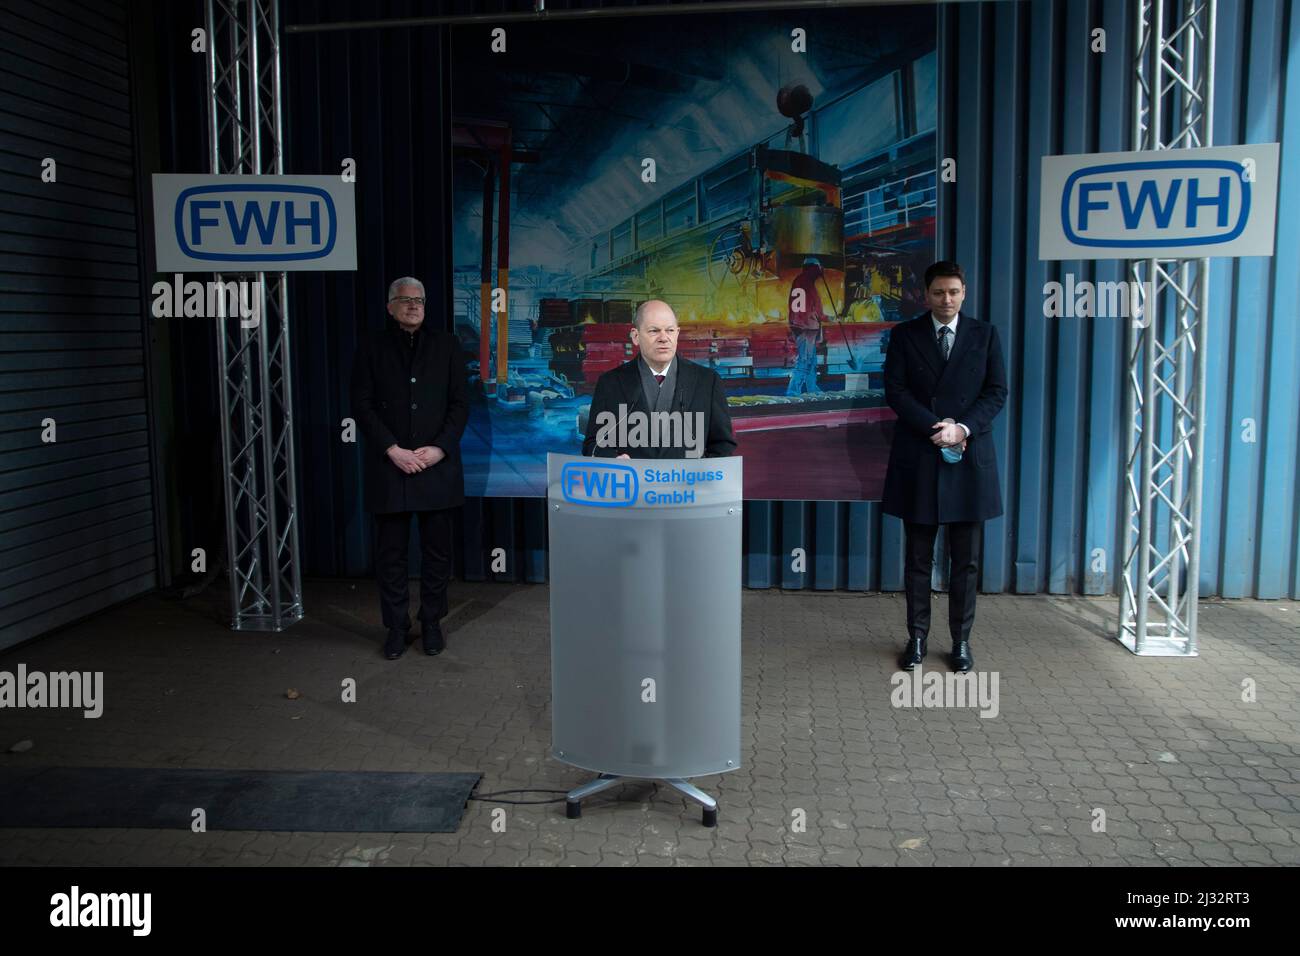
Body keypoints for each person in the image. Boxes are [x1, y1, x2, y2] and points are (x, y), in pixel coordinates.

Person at [881, 261, 1008, 673]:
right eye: (939, 293)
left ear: (964, 292)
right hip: (921, 454)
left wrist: (963, 428)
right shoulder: (905, 335)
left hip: (968, 458)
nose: (947, 300)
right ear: (926, 295)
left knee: (965, 560)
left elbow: (996, 392)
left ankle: (961, 641)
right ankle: (916, 638)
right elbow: (896, 391)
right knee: (918, 559)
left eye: (953, 292)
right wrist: (936, 427)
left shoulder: (985, 335)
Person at [351, 277, 468, 660]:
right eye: (405, 300)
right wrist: (392, 449)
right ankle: (396, 627)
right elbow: (362, 404)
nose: (414, 306)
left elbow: (460, 405)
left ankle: (431, 623)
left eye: (419, 299)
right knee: (391, 555)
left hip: (437, 466)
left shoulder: (447, 345)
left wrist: (439, 448)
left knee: (437, 553)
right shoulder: (372, 346)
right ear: (390, 306)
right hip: (391, 467)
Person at [581, 299, 736, 459]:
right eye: (654, 331)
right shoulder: (610, 383)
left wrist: (703, 476)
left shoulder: (707, 382)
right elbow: (594, 444)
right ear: (635, 336)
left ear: (677, 333)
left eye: (669, 330)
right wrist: (612, 461)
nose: (663, 338)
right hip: (634, 482)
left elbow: (722, 445)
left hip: (688, 482)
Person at [786, 257, 825, 395]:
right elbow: (817, 308)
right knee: (805, 360)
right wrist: (826, 317)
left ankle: (812, 388)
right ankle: (793, 390)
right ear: (814, 268)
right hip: (807, 327)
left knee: (811, 360)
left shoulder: (798, 281)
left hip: (799, 325)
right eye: (819, 268)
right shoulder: (808, 284)